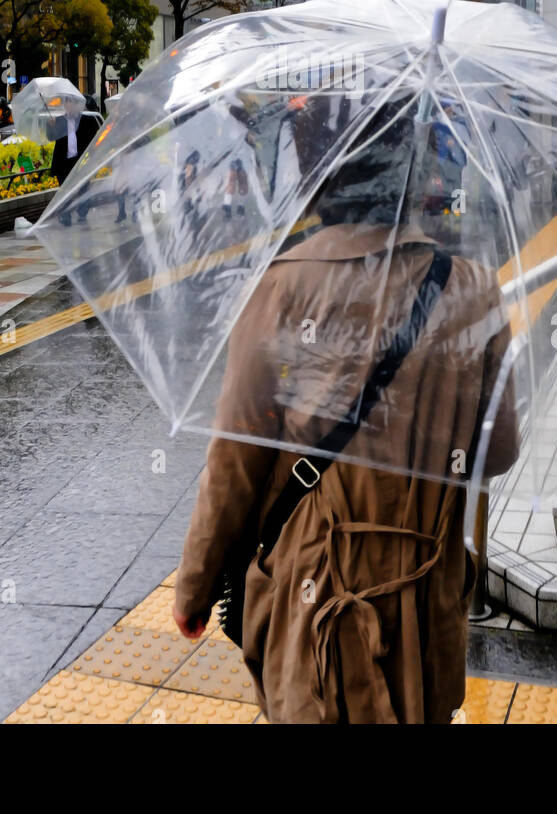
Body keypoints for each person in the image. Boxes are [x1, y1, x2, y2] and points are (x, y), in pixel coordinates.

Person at [173, 97, 519, 725]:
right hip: (427, 590)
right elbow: (498, 450)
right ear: (412, 174)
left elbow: (236, 463)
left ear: (317, 174)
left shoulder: (282, 286)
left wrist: (196, 585)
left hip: (318, 592)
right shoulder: (473, 288)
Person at [51, 94, 99, 223]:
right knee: (64, 190)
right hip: (64, 161)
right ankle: (65, 215)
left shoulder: (87, 121)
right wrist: (51, 126)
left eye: (71, 103)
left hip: (81, 161)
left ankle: (82, 210)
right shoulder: (59, 120)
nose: (68, 106)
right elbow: (51, 137)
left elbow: (95, 139)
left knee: (84, 187)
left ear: (78, 105)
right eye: (66, 103)